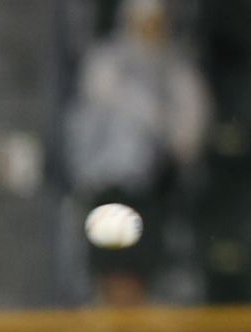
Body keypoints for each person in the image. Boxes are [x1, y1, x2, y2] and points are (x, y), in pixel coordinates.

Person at [64, 0, 211, 304]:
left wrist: (158, 121)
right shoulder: (104, 63)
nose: (148, 33)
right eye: (142, 24)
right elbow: (88, 118)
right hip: (107, 188)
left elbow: (187, 139)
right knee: (110, 274)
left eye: (154, 24)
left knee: (139, 274)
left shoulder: (177, 72)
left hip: (153, 192)